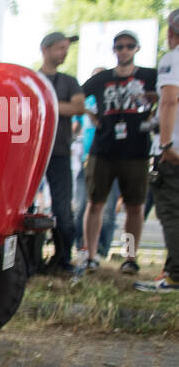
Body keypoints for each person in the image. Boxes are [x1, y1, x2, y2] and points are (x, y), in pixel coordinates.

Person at [80, 29, 158, 273]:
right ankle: (91, 255)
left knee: (134, 206)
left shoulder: (149, 75)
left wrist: (154, 112)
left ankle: (129, 257)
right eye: (119, 46)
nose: (124, 50)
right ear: (114, 50)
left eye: (129, 46)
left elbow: (169, 96)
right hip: (103, 149)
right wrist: (92, 116)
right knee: (95, 203)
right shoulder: (101, 79)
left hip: (137, 151)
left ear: (137, 49)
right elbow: (78, 97)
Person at [135, 9, 179, 292]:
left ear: (170, 32)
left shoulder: (172, 58)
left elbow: (170, 100)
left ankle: (175, 275)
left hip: (174, 153)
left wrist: (165, 144)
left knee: (172, 213)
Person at [37, 31, 84, 273]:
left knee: (63, 207)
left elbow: (79, 106)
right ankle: (29, 258)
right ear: (45, 49)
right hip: (32, 155)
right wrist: (59, 106)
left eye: (66, 48)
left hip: (60, 152)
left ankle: (63, 258)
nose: (64, 52)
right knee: (24, 207)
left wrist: (45, 103)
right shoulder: (32, 79)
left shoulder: (70, 80)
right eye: (60, 48)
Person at [74, 67, 118, 259]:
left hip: (111, 158)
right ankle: (82, 248)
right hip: (87, 159)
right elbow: (75, 126)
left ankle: (101, 251)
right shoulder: (85, 102)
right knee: (82, 207)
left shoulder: (113, 100)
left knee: (108, 211)